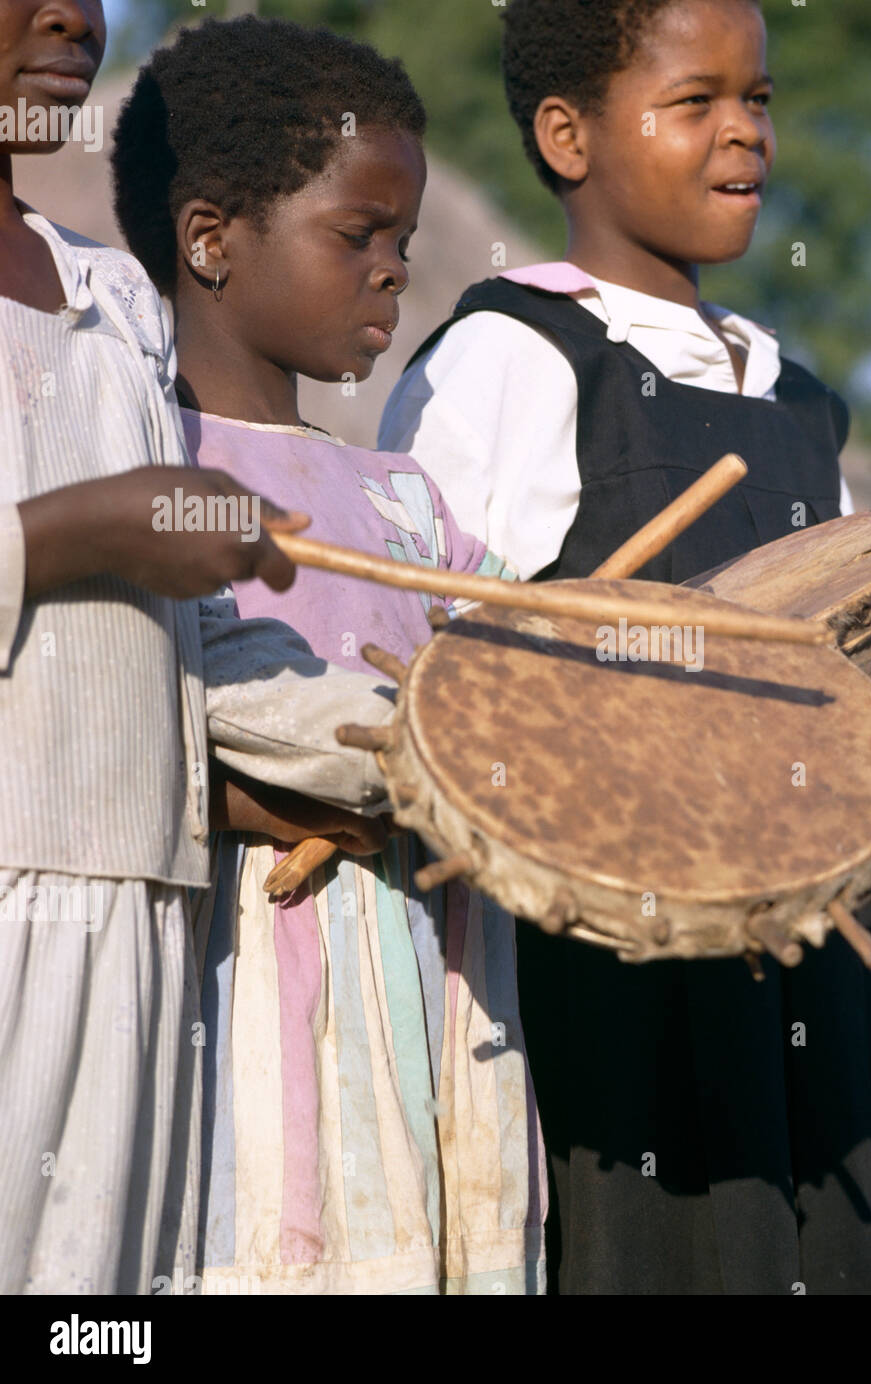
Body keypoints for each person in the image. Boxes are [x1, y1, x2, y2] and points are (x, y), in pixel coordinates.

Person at [381, 0, 871, 1294]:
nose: (744, 132)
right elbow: (427, 657)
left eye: (756, 99)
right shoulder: (512, 356)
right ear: (566, 132)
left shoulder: (798, 393)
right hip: (631, 952)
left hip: (832, 933)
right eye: (694, 101)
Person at [112, 15, 545, 1295]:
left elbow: (510, 697)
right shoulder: (153, 479)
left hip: (434, 986)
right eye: (357, 237)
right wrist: (264, 793)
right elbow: (137, 721)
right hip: (241, 997)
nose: (392, 274)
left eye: (404, 245)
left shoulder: (410, 504)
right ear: (210, 240)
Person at [0, 0, 398, 1294]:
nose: (74, 11)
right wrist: (80, 532)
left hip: (151, 918)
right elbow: (80, 544)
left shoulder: (112, 296)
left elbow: (188, 656)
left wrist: (432, 754)